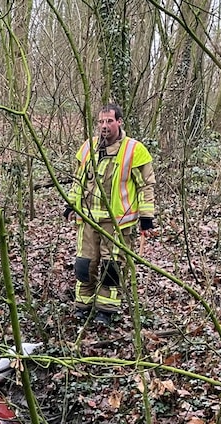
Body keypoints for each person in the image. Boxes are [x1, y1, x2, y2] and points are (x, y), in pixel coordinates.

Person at [63, 103, 157, 326]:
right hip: (87, 219)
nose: (104, 126)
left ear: (119, 122)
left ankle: (106, 309)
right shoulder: (88, 148)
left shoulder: (134, 150)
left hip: (116, 222)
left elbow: (146, 186)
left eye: (109, 121)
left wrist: (146, 217)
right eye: (101, 121)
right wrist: (70, 205)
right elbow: (78, 181)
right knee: (85, 264)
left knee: (110, 267)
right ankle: (83, 305)